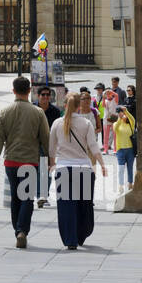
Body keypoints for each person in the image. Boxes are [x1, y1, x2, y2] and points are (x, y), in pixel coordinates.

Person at [0, 76, 52, 247]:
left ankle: (17, 230)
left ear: (13, 91)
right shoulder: (38, 113)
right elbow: (46, 139)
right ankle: (22, 230)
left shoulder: (4, 112)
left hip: (11, 163)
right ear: (29, 91)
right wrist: (51, 160)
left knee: (15, 197)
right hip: (30, 162)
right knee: (27, 198)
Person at [51, 92, 107, 250]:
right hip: (84, 168)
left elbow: (51, 148)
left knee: (66, 205)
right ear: (78, 106)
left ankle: (70, 239)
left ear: (65, 105)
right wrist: (102, 165)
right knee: (84, 204)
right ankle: (82, 234)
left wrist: (51, 163)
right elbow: (93, 147)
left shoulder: (56, 123)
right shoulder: (86, 124)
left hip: (63, 168)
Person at [35, 86, 61, 209]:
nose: (46, 97)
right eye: (43, 95)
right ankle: (39, 195)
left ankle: (43, 196)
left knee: (47, 170)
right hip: (33, 145)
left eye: (48, 95)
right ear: (38, 96)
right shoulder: (32, 109)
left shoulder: (55, 111)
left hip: (49, 145)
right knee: (36, 171)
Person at [113, 105, 137, 191]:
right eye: (120, 113)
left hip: (130, 149)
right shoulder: (116, 124)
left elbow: (133, 119)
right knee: (121, 169)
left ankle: (130, 183)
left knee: (130, 168)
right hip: (120, 150)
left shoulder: (131, 124)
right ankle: (121, 185)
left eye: (123, 114)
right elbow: (115, 128)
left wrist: (126, 111)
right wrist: (120, 117)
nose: (122, 115)